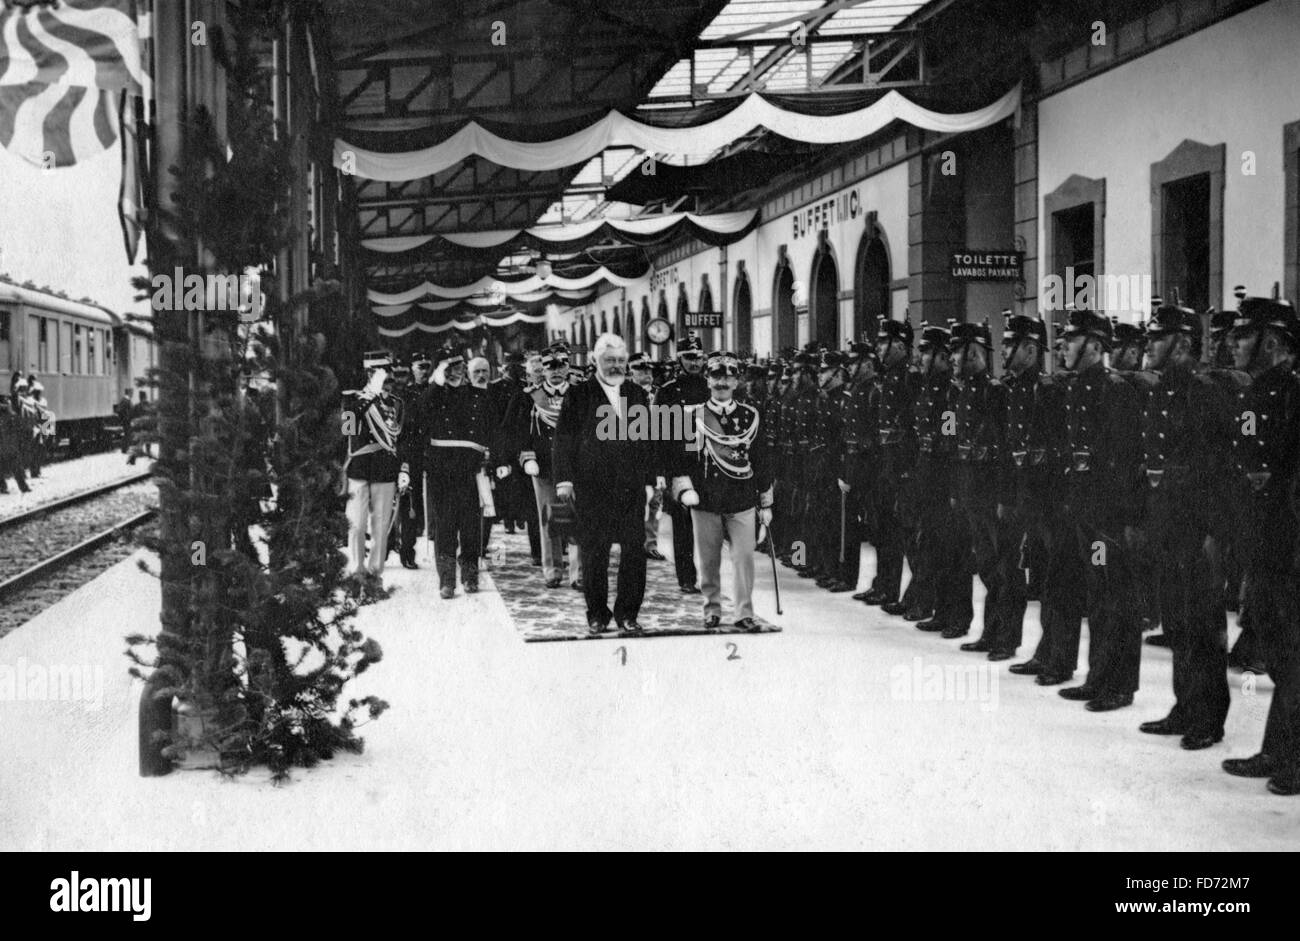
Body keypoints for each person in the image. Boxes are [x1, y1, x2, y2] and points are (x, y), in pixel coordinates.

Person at [1135, 300, 1234, 751]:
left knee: (1203, 623)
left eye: (1158, 337)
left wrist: (1216, 532)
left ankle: (1209, 718)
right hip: (1170, 524)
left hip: (1199, 526)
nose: (1149, 345)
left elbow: (1221, 468)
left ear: (1182, 344)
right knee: (1178, 621)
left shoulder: (1206, 391)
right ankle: (1184, 707)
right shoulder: (1162, 390)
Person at [1222, 291, 1300, 795]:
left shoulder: (1292, 390)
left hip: (1289, 540)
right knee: (1279, 650)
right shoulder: (1260, 389)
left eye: (1244, 334)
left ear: (1270, 341)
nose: (1233, 343)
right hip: (1266, 539)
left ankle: (1291, 757)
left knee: (1293, 650)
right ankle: (1278, 750)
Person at [1055, 308, 1144, 712]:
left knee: (1116, 597)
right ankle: (1098, 677)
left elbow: (1126, 459)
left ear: (1094, 346)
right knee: (1098, 596)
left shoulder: (1115, 390)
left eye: (1072, 340)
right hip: (1087, 510)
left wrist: (1125, 519)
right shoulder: (1077, 388)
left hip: (1108, 515)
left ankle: (1119, 685)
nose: (1063, 345)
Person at [553, 333, 655, 634]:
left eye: (621, 361)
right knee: (594, 552)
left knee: (634, 552)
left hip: (630, 487)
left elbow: (647, 440)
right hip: (592, 487)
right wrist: (565, 481)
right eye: (610, 360)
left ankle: (628, 613)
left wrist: (650, 481)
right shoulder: (579, 394)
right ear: (596, 361)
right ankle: (597, 613)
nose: (616, 366)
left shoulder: (636, 394)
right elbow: (563, 439)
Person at [670, 350, 773, 630]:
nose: (722, 383)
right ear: (707, 380)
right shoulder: (693, 417)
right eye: (716, 376)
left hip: (742, 499)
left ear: (737, 382)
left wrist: (766, 502)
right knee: (709, 559)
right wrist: (685, 488)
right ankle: (712, 609)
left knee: (744, 558)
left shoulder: (751, 416)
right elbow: (684, 457)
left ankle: (744, 613)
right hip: (706, 498)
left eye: (728, 377)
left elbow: (761, 458)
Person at [403, 346, 493, 599]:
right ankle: (447, 580)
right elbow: (418, 414)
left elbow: (488, 426)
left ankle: (470, 574)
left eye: (459, 367)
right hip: (441, 469)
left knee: (470, 525)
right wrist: (436, 383)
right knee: (444, 526)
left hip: (469, 468)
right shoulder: (432, 396)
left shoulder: (474, 395)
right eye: (449, 368)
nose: (457, 372)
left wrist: (490, 459)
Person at [949, 320, 1009, 653]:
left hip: (990, 489)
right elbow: (954, 442)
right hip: (971, 487)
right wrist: (956, 489)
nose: (954, 358)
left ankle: (1004, 636)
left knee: (1001, 567)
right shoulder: (960, 393)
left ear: (975, 352)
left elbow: (1004, 448)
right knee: (986, 564)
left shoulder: (995, 391)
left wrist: (1003, 495)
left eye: (958, 350)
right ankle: (991, 632)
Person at [501, 342, 581, 589]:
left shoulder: (581, 394)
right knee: (549, 516)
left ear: (568, 367)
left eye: (561, 365)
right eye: (550, 366)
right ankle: (552, 569)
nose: (556, 371)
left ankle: (579, 572)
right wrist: (527, 456)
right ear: (542, 369)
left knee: (578, 516)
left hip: (576, 464)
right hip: (544, 464)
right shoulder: (528, 397)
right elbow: (515, 431)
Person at [860, 316, 918, 607]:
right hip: (885, 465)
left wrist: (907, 469)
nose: (879, 349)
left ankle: (900, 592)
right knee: (883, 531)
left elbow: (915, 428)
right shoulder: (887, 378)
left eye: (884, 343)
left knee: (903, 534)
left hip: (901, 467)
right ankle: (883, 585)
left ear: (900, 345)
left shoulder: (910, 378)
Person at [341, 351, 404, 590]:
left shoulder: (394, 402)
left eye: (385, 370)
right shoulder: (352, 399)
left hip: (384, 468)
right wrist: (370, 396)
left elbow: (398, 435)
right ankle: (356, 572)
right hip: (358, 468)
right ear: (369, 373)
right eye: (378, 371)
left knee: (380, 526)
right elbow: (348, 428)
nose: (384, 375)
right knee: (356, 524)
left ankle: (375, 574)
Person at [656, 333, 708, 593]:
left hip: (709, 464)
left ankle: (710, 574)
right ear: (680, 360)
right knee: (683, 525)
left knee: (709, 523)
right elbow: (657, 433)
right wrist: (662, 471)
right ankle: (687, 577)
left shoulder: (711, 388)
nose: (694, 362)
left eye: (698, 357)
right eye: (689, 357)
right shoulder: (667, 392)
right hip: (680, 465)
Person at [629, 352, 668, 561]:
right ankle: (633, 541)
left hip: (656, 454)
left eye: (649, 370)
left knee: (656, 500)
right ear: (631, 372)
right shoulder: (624, 394)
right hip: (633, 454)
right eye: (641, 370)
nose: (647, 374)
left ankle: (651, 542)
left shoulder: (660, 394)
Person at [395, 352, 431, 569]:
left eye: (427, 366)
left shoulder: (437, 391)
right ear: (412, 369)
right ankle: (407, 551)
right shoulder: (404, 395)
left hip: (433, 452)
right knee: (410, 504)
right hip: (412, 453)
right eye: (420, 366)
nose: (424, 370)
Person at [116, 388, 134, 454]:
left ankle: (125, 449)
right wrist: (126, 418)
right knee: (127, 435)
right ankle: (125, 449)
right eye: (132, 392)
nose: (132, 394)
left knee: (127, 435)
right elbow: (120, 410)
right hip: (126, 421)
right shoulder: (125, 401)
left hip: (126, 420)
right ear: (128, 393)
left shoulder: (125, 400)